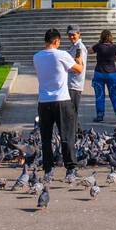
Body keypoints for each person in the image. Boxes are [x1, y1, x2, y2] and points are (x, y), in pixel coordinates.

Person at [32, 29, 83, 174]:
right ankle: (71, 167)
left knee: (46, 137)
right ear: (56, 41)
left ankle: (48, 168)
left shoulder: (36, 57)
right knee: (66, 135)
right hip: (61, 100)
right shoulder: (62, 54)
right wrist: (79, 61)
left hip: (43, 101)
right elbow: (78, 69)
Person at [90, 28, 116, 124]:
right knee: (115, 95)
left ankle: (100, 115)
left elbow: (89, 51)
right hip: (111, 73)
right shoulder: (114, 46)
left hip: (99, 73)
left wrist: (98, 44)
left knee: (100, 95)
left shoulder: (98, 46)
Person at [66, 25, 87, 125]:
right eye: (69, 35)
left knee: (71, 113)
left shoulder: (79, 48)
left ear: (79, 34)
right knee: (70, 112)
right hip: (71, 84)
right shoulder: (74, 47)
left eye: (73, 35)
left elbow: (79, 68)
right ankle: (74, 132)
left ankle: (73, 135)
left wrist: (66, 67)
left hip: (74, 85)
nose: (71, 37)